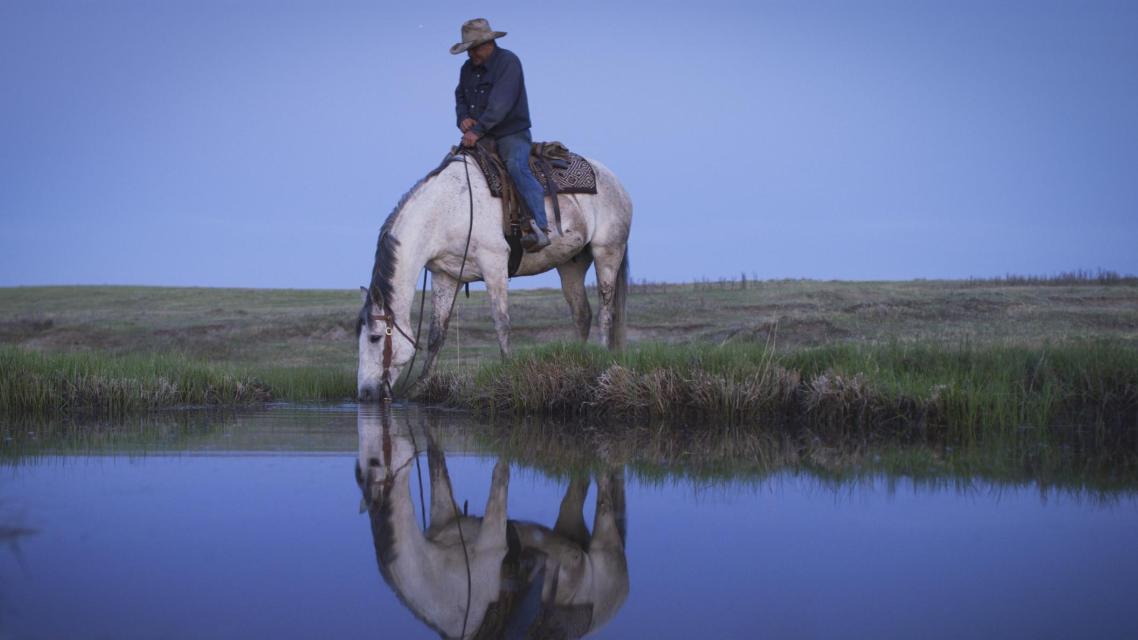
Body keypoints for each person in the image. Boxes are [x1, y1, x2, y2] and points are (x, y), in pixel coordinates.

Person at [451, 18, 551, 251]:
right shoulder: (467, 69)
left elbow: (500, 104)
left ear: (488, 44)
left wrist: (476, 130)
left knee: (516, 166)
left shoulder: (508, 62)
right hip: (480, 135)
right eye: (468, 50)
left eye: (474, 48)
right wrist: (463, 118)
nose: (471, 54)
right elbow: (460, 97)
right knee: (455, 168)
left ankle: (540, 227)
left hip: (510, 133)